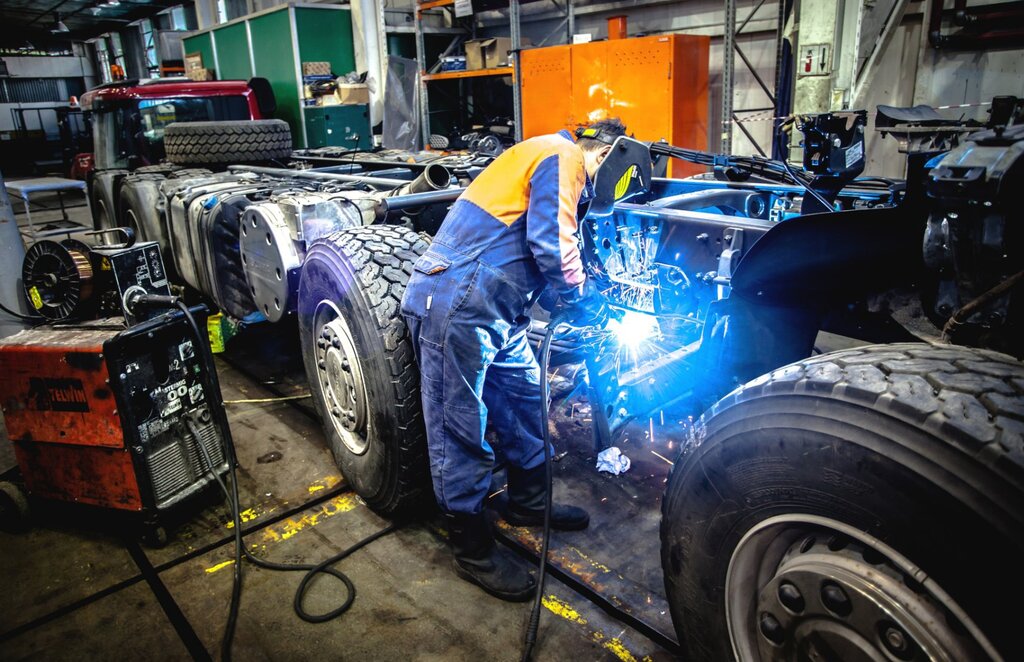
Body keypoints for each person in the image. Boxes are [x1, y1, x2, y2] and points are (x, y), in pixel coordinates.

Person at [401, 118, 627, 601]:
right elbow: (553, 243)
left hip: (496, 308)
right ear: (605, 155)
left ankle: (528, 501)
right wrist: (581, 295)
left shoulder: (552, 157)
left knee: (526, 394)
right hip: (457, 300)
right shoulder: (561, 155)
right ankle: (472, 548)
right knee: (459, 425)